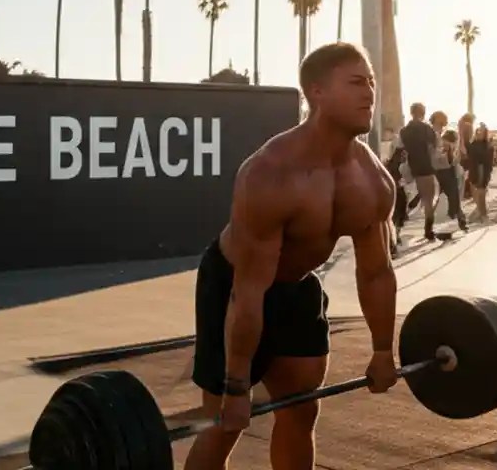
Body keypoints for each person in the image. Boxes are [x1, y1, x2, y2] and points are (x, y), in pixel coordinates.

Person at [185, 42, 398, 470]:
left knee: (301, 411)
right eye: (356, 83)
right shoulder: (270, 173)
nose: (369, 93)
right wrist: (236, 384)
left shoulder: (372, 179)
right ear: (316, 93)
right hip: (235, 284)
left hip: (299, 284)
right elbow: (247, 293)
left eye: (371, 83)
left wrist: (381, 351)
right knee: (225, 423)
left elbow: (375, 272)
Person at [399, 103, 441, 242]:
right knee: (430, 200)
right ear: (423, 113)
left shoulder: (404, 131)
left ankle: (398, 228)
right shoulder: (427, 130)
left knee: (406, 199)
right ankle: (428, 230)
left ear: (411, 113)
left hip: (410, 168)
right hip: (425, 168)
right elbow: (432, 150)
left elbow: (400, 150)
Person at [465, 123, 494, 223]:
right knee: (476, 194)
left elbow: (488, 161)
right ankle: (480, 213)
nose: (479, 133)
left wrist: (487, 173)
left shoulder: (487, 145)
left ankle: (483, 215)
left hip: (482, 170)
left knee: (481, 193)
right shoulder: (472, 144)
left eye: (481, 131)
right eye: (477, 131)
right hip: (474, 170)